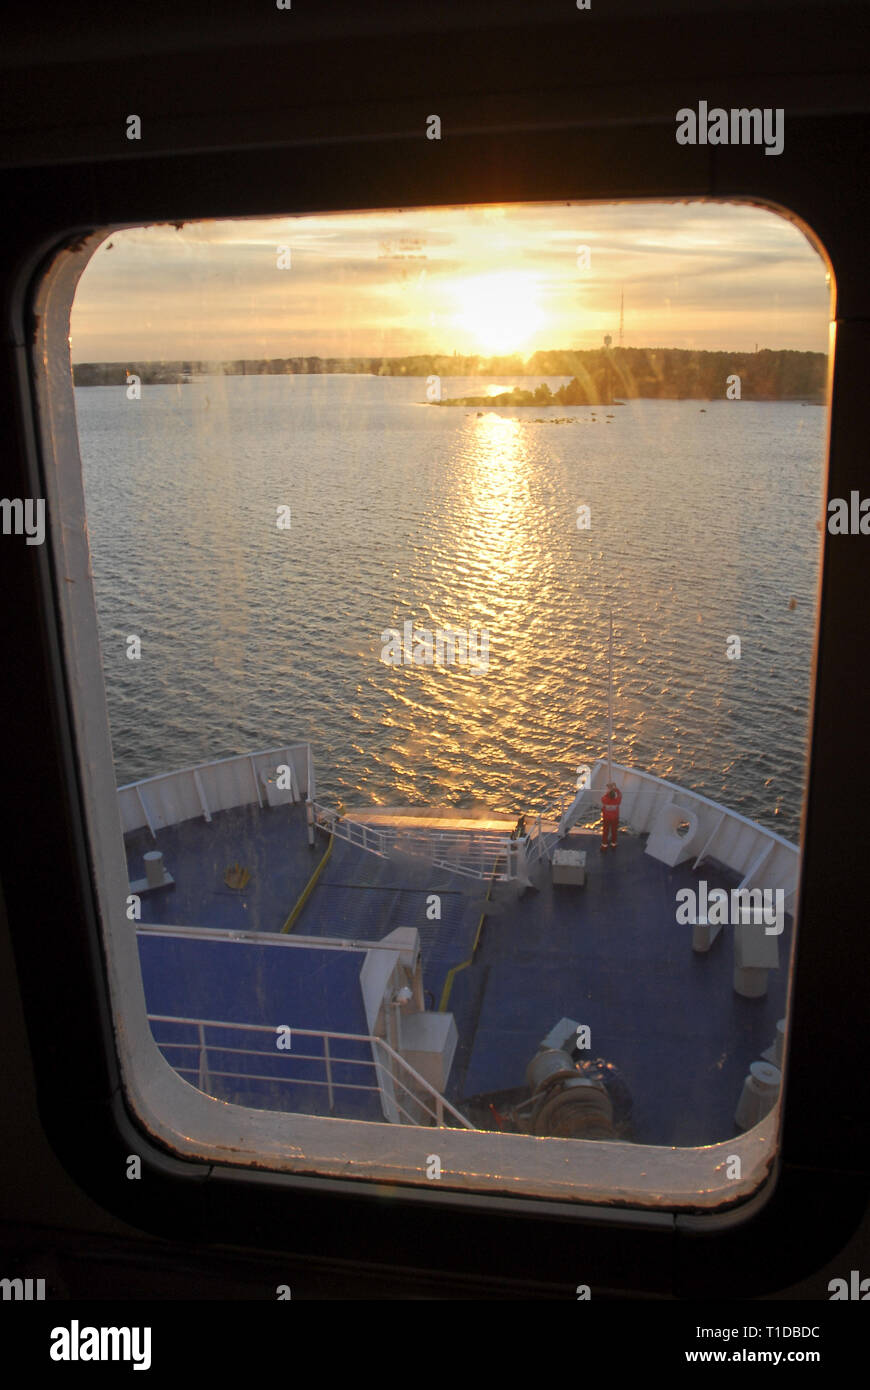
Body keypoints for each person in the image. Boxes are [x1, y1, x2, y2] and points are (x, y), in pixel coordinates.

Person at [601, 781, 621, 850]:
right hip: (615, 818)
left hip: (606, 818)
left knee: (605, 831)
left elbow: (604, 796)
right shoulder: (618, 800)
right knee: (614, 831)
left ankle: (604, 846)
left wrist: (609, 790)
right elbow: (620, 794)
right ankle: (613, 844)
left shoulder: (604, 799)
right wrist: (615, 788)